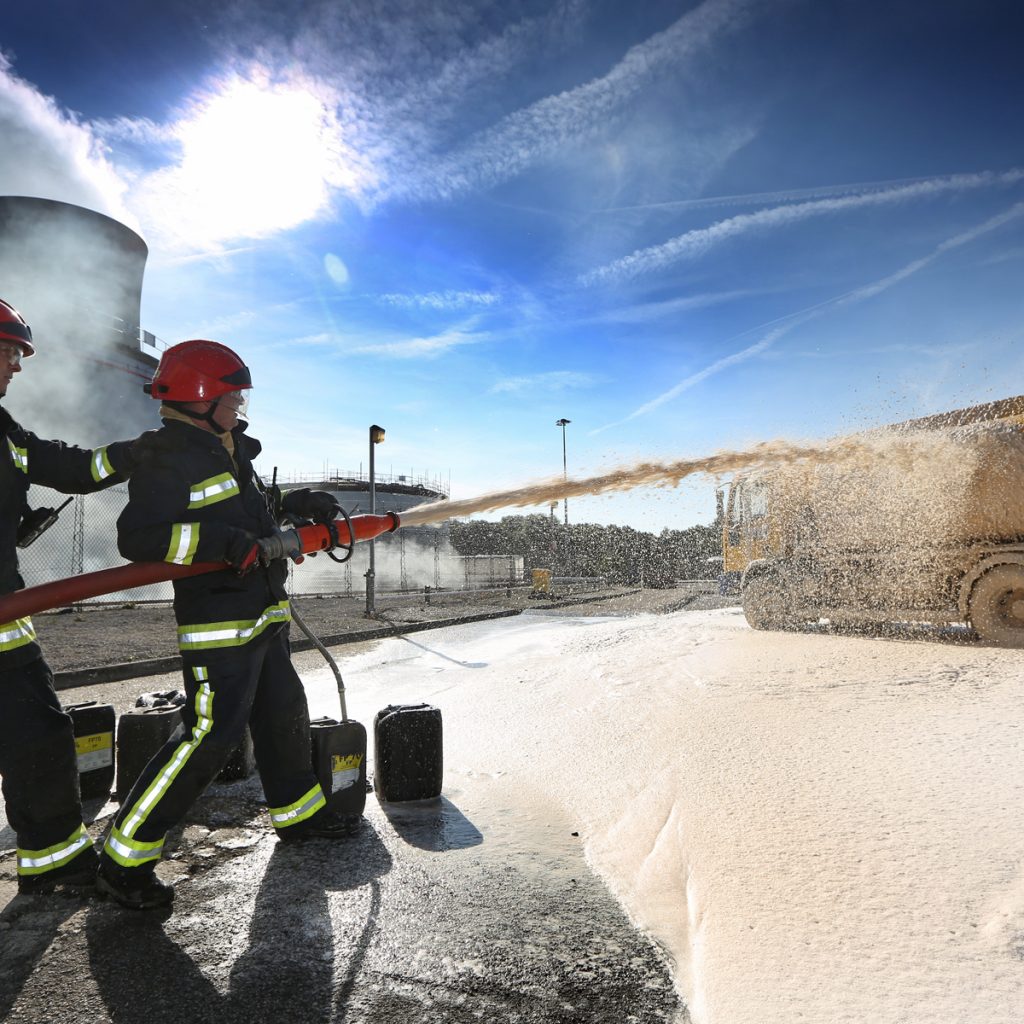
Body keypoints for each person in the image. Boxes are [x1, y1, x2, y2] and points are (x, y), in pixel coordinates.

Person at [97, 339, 348, 911]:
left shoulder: (230, 449)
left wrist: (297, 503)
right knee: (209, 736)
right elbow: (139, 537)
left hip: (265, 612)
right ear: (199, 398)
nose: (240, 406)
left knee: (283, 713)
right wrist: (220, 543)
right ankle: (124, 858)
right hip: (219, 624)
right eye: (233, 397)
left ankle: (299, 816)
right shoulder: (168, 458)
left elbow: (248, 512)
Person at [0, 298, 137, 895]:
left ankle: (52, 859)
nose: (17, 365)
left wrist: (135, 454)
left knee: (38, 733)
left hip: (5, 613)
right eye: (9, 351)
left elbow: (66, 466)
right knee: (35, 732)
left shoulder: (3, 430)